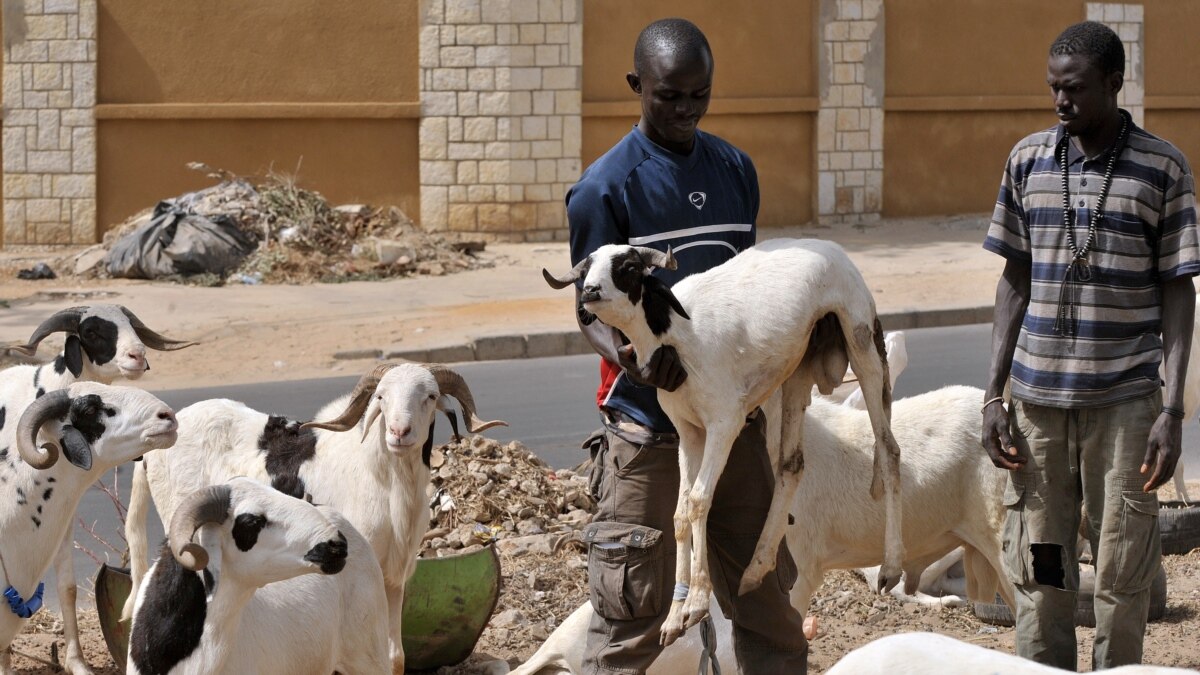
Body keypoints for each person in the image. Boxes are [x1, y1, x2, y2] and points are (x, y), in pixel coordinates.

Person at [564, 17, 809, 675]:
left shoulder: (735, 170)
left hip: (733, 427)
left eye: (698, 95)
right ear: (636, 85)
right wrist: (635, 361)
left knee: (769, 608)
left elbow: (749, 290)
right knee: (631, 622)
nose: (684, 110)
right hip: (647, 435)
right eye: (668, 96)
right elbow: (588, 306)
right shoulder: (604, 188)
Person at [981, 20, 1199, 670]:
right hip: (1038, 414)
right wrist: (993, 393)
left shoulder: (1163, 167)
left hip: (1128, 411)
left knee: (1121, 572)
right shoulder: (1026, 161)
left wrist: (1173, 409)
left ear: (1112, 82)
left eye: (1073, 88)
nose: (1059, 101)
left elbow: (1178, 292)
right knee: (1042, 570)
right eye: (1052, 88)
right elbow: (1012, 279)